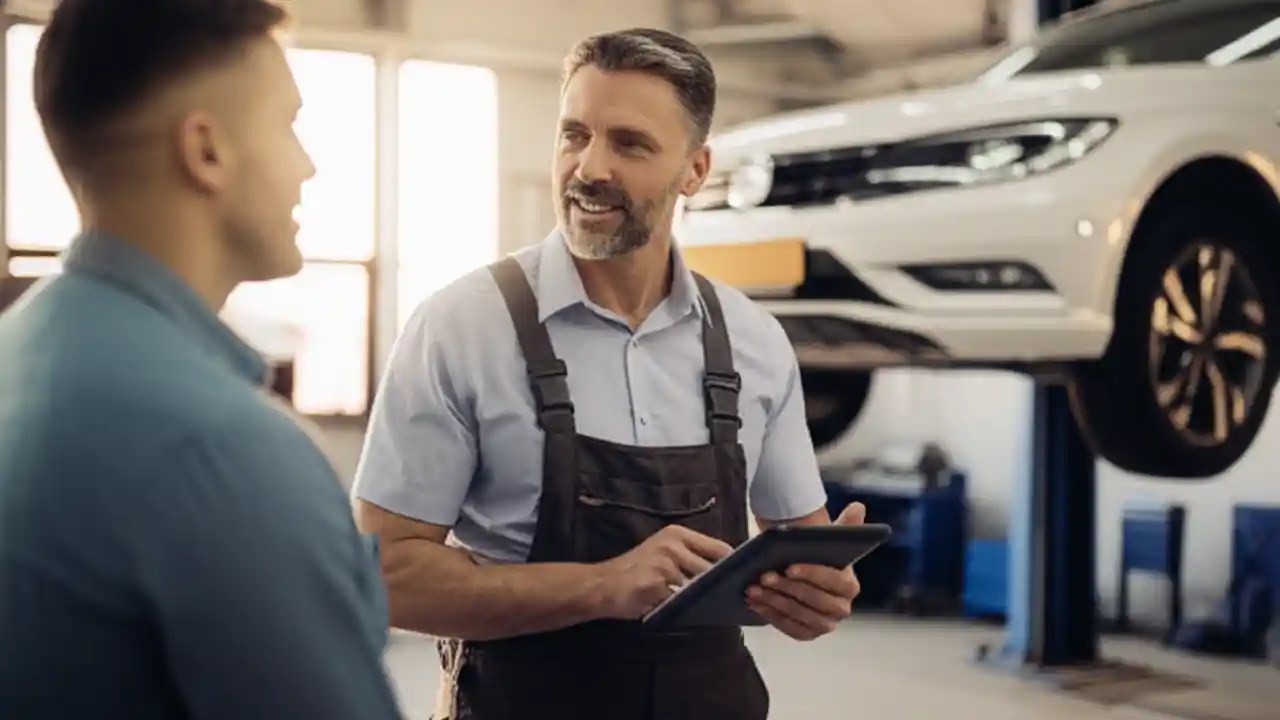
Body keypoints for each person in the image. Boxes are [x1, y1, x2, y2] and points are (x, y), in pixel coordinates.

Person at [354, 27, 866, 719]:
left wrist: (815, 594)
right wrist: (604, 585)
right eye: (574, 135)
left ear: (695, 170)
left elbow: (798, 547)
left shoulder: (754, 342)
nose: (589, 167)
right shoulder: (462, 326)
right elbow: (386, 576)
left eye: (629, 143)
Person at [0, 1, 402, 718]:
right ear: (206, 150)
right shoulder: (223, 447)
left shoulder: (18, 354)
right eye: (288, 124)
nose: (308, 166)